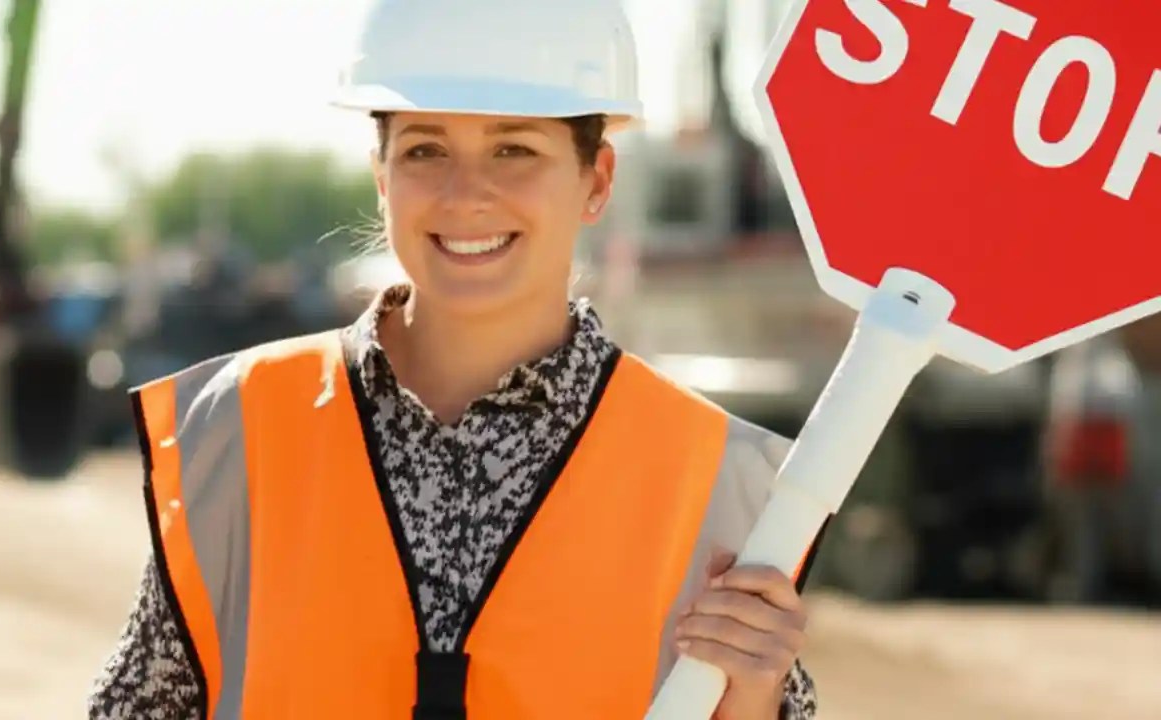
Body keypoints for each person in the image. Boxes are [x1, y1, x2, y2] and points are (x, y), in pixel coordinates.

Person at [89, 1, 821, 718]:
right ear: (382, 177)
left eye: (514, 150)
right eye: (425, 150)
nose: (466, 194)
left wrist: (750, 707)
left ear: (596, 180)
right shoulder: (239, 426)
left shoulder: (719, 484)